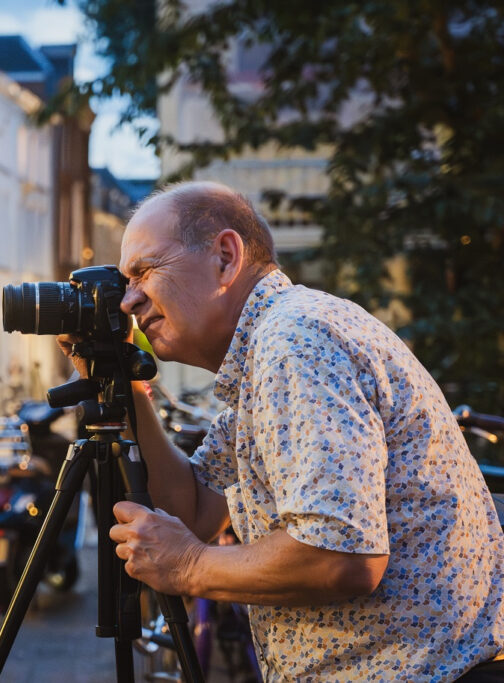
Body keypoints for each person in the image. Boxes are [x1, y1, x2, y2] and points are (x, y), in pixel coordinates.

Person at [59, 181, 504, 681]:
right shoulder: (263, 356)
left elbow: (339, 556)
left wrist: (187, 566)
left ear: (226, 257)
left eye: (145, 272)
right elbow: (193, 509)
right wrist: (124, 387)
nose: (128, 302)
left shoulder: (295, 340)